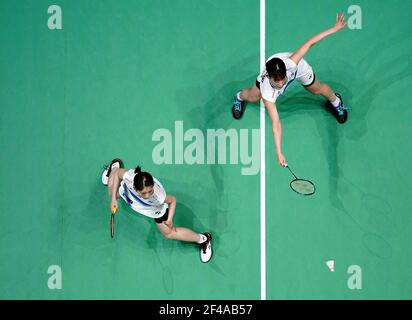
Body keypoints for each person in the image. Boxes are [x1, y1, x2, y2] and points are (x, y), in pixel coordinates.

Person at [232, 13, 348, 167]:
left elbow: (309, 43)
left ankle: (336, 102)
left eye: (282, 78)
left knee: (317, 89)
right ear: (270, 77)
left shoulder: (292, 64)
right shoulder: (267, 91)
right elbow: (276, 123)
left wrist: (333, 29)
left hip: (299, 71)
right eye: (276, 79)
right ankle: (239, 97)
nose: (280, 83)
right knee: (253, 97)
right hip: (269, 75)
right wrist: (278, 152)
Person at [101, 158, 213, 263]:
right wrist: (112, 201)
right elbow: (117, 175)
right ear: (135, 188)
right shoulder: (130, 178)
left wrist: (169, 219)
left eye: (150, 191)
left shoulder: (159, 197)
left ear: (152, 185)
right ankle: (114, 166)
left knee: (169, 234)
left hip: (156, 210)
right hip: (129, 195)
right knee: (112, 193)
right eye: (144, 193)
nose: (148, 195)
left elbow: (172, 200)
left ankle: (203, 239)